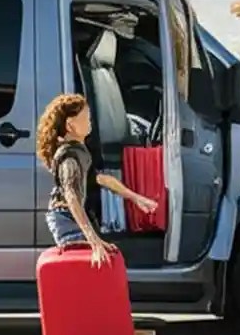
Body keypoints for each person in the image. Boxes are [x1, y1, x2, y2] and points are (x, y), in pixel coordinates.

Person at [37, 93, 158, 268]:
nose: (90, 122)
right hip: (66, 219)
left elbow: (102, 179)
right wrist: (93, 241)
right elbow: (71, 197)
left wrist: (136, 198)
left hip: (70, 218)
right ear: (70, 125)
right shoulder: (69, 158)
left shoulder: (79, 152)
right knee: (87, 268)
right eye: (85, 118)